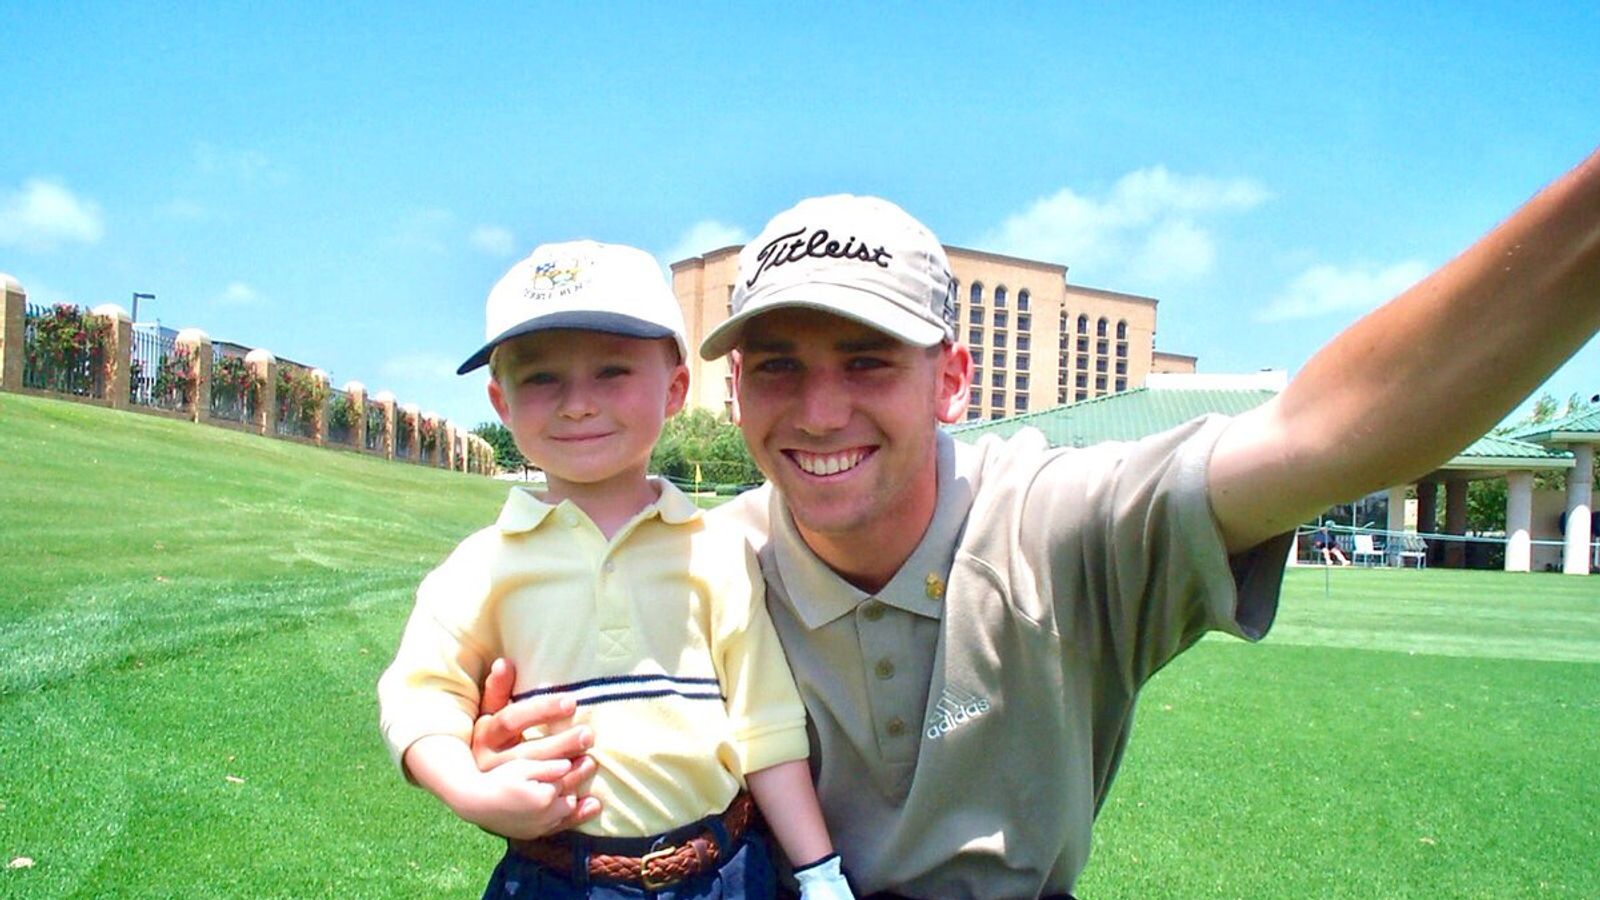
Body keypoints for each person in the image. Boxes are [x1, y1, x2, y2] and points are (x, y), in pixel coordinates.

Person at [466, 148, 1600, 897]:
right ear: (730, 390)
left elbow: (1329, 431)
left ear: (952, 381)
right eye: (776, 368)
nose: (818, 413)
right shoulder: (705, 560)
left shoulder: (1064, 526)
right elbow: (558, 747)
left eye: (866, 362)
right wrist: (522, 767)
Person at [377, 240, 854, 899]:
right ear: (500, 401)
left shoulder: (715, 552)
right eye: (542, 378)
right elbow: (420, 697)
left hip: (723, 873)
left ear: (676, 389)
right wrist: (471, 791)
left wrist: (819, 873)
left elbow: (765, 727)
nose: (577, 403)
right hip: (554, 878)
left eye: (612, 372)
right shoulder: (482, 566)